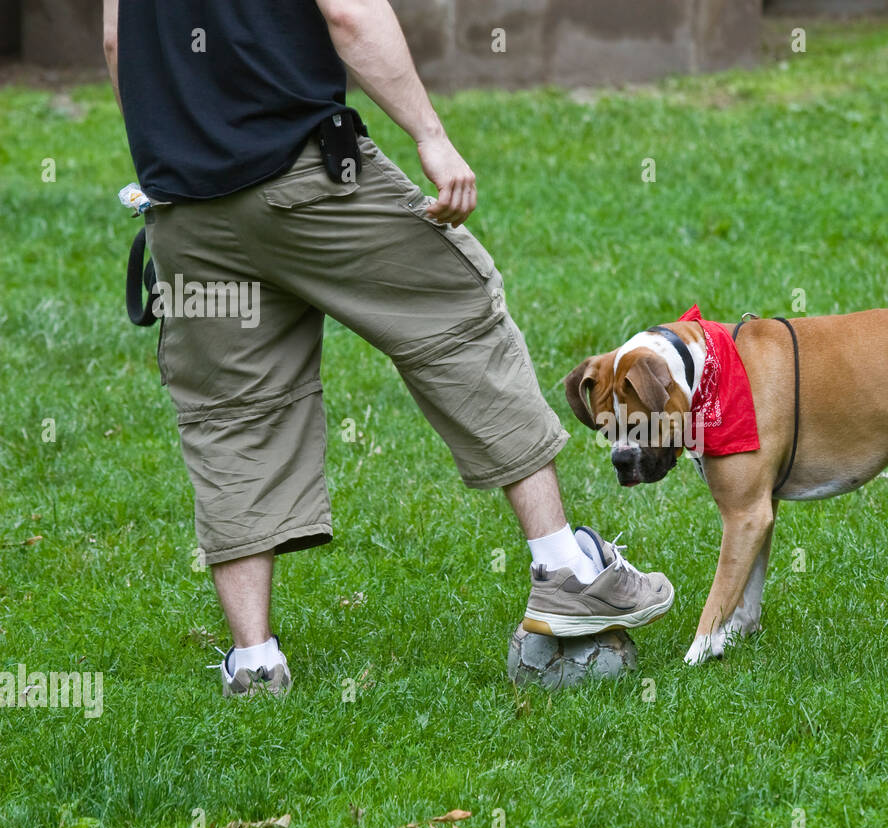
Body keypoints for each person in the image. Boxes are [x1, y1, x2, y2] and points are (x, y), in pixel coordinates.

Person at [102, 0, 673, 696]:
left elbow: (115, 43)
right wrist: (430, 137)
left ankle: (254, 661)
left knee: (231, 413)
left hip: (186, 208)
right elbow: (348, 14)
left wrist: (176, 163)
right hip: (302, 175)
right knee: (459, 311)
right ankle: (566, 572)